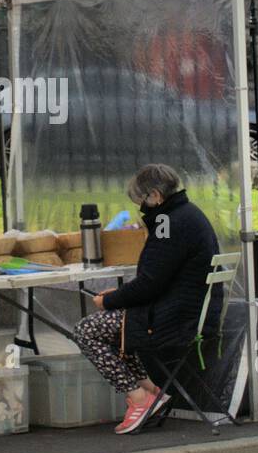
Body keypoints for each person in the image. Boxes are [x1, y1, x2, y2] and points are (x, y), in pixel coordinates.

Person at [72, 163, 222, 435]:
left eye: (141, 201)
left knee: (86, 330)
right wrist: (118, 298)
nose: (141, 208)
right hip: (190, 312)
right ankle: (152, 392)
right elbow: (157, 280)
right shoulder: (189, 214)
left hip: (174, 320)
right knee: (119, 330)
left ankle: (139, 398)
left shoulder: (168, 224)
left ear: (155, 195)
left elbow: (149, 285)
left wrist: (110, 301)